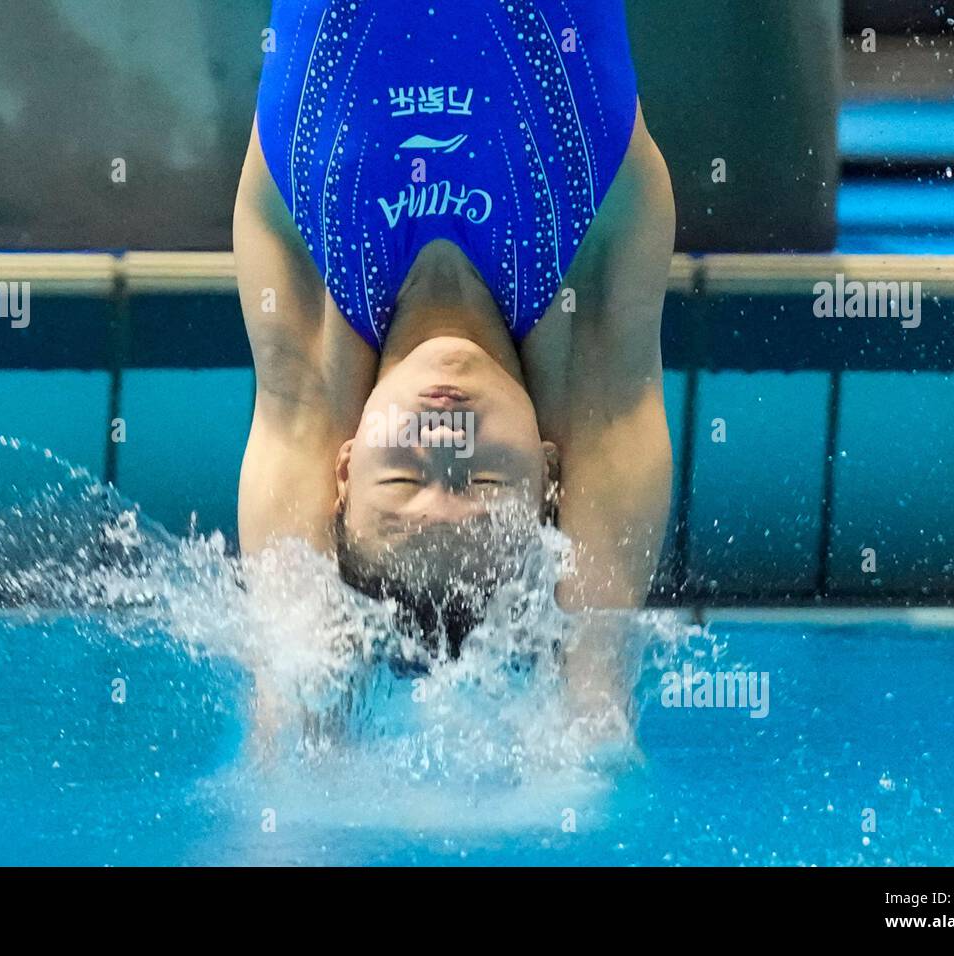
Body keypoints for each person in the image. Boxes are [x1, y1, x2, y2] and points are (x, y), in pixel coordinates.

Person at [234, 0, 675, 726]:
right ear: (549, 476)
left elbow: (291, 433)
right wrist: (591, 699)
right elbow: (614, 430)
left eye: (404, 476)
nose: (445, 441)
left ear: (342, 468)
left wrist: (297, 714)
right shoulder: (582, 275)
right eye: (483, 477)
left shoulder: (318, 289)